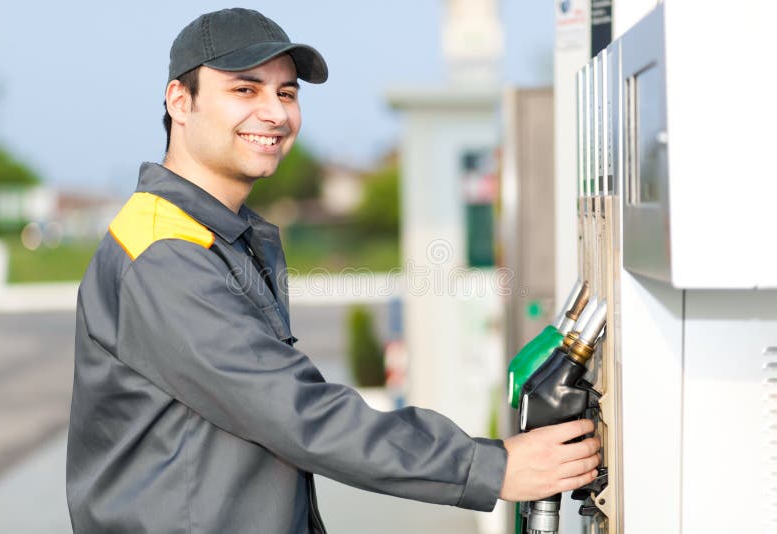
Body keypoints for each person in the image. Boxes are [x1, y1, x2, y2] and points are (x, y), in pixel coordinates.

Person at [66, 8, 600, 533]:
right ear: (180, 101)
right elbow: (294, 411)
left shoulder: (220, 236)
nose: (275, 113)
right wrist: (493, 467)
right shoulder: (164, 252)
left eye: (287, 92)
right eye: (245, 90)